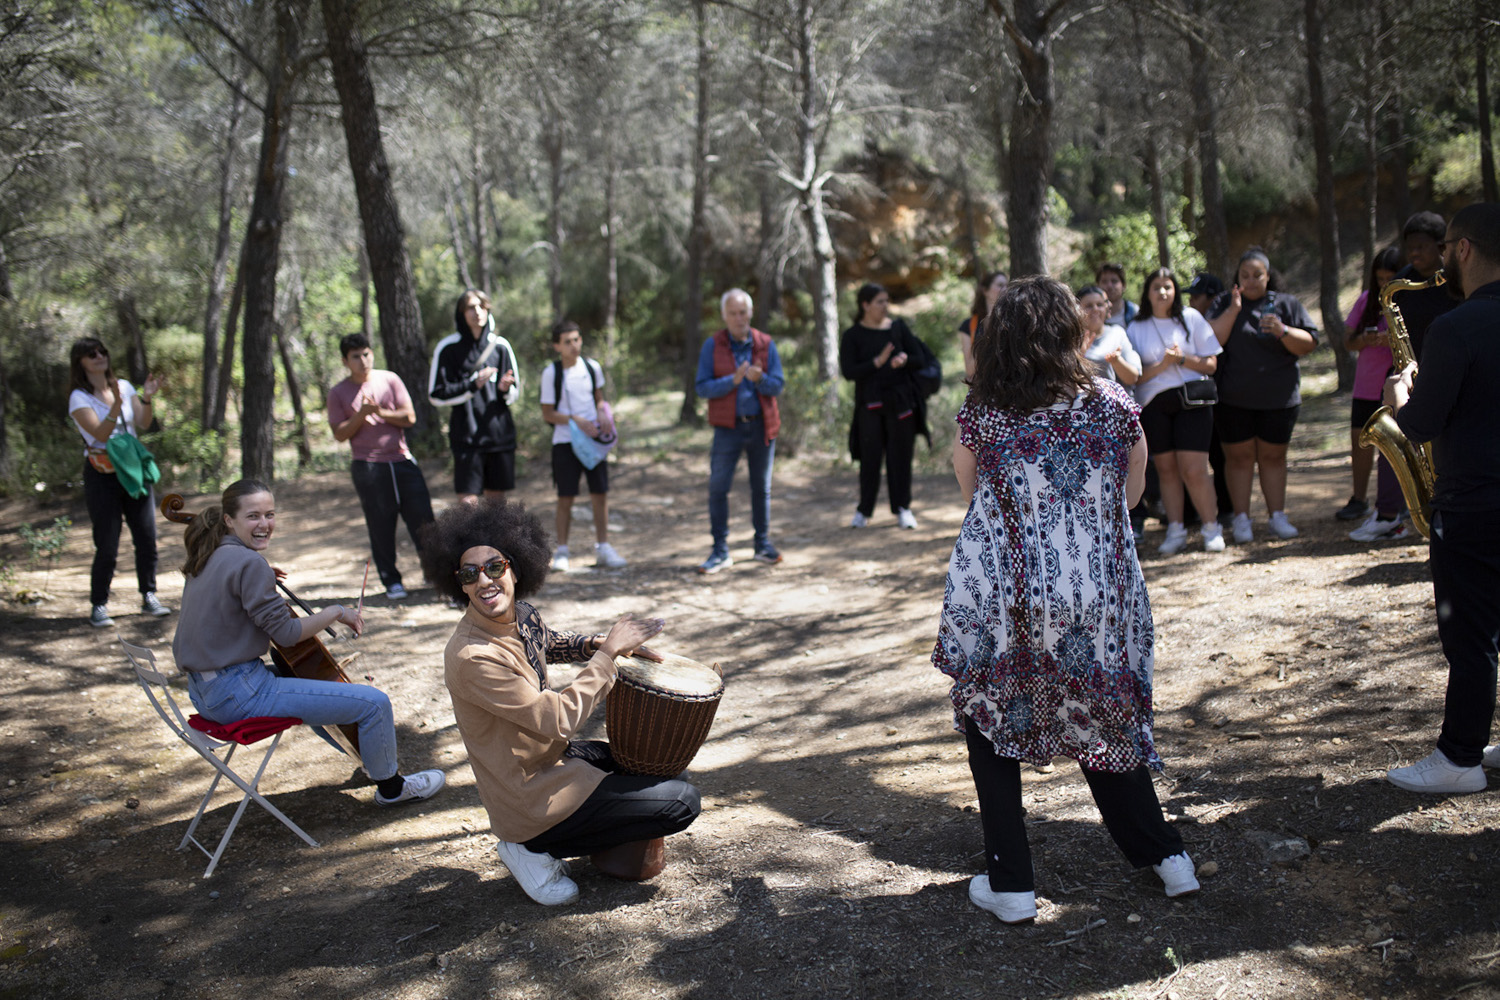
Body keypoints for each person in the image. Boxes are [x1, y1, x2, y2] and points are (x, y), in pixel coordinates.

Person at [932, 275, 1197, 925]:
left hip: (1008, 595)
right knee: (1102, 718)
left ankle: (1012, 883)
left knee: (993, 723)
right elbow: (1132, 496)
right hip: (1094, 594)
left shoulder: (984, 412)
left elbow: (974, 497)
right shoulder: (1111, 402)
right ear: (1070, 331)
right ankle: (1168, 860)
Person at [423, 499, 700, 904]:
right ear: (459, 585)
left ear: (515, 568)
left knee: (665, 773)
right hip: (529, 795)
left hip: (557, 762)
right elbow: (557, 718)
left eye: (495, 567)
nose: (485, 581)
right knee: (680, 802)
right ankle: (530, 848)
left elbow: (548, 643)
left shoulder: (522, 616)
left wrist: (596, 644)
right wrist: (608, 658)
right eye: (470, 573)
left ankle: (587, 829)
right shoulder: (472, 657)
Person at [172, 479, 446, 807]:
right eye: (253, 516)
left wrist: (259, 576)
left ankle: (369, 757)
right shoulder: (247, 563)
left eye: (269, 515)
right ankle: (392, 788)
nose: (264, 524)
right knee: (374, 703)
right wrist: (335, 612)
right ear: (229, 520)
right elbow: (287, 634)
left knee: (307, 678)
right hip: (239, 696)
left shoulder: (211, 554)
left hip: (206, 693)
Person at [1382, 202, 1500, 794]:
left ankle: (1459, 758)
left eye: (1448, 247)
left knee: (1471, 635)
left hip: (1475, 504)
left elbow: (1421, 424)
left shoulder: (1455, 328)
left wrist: (1401, 390)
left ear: (1465, 250)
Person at [1206, 248, 1319, 544]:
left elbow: (1309, 343)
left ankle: (1277, 516)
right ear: (1237, 277)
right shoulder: (1223, 303)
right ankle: (1242, 519)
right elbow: (1210, 341)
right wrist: (1233, 309)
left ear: (1268, 276)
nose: (1252, 280)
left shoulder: (1287, 304)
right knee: (1239, 458)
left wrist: (1283, 331)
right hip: (1233, 399)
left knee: (1273, 456)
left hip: (1278, 398)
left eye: (1258, 275)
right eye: (1245, 275)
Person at [67, 337, 170, 627]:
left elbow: (143, 422)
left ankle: (149, 595)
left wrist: (147, 397)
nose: (99, 356)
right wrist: (115, 404)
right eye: (92, 354)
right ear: (81, 362)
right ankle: (99, 604)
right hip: (102, 475)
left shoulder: (123, 385)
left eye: (103, 351)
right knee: (108, 543)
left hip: (132, 470)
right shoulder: (79, 397)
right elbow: (99, 435)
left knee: (146, 536)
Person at [327, 333, 436, 600]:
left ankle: (435, 572)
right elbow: (340, 434)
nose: (363, 361)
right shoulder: (338, 393)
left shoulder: (390, 379)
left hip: (401, 460)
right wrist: (360, 415)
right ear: (345, 361)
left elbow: (409, 417)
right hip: (368, 466)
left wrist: (378, 412)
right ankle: (391, 580)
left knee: (423, 519)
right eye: (355, 357)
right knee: (381, 523)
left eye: (366, 354)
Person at [1125, 268, 1225, 554]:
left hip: (1192, 404)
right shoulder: (1136, 327)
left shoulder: (1191, 318)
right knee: (1166, 470)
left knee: (1194, 470)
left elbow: (1211, 365)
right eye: (1156, 287)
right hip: (1154, 405)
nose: (1163, 292)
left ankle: (1211, 528)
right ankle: (1176, 529)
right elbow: (1136, 376)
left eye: (1168, 287)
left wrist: (1181, 358)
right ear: (1147, 293)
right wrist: (1163, 365)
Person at [693, 288, 786, 573]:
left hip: (761, 426)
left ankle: (763, 545)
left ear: (750, 313)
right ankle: (720, 551)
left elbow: (778, 385)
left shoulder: (765, 343)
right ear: (724, 316)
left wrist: (762, 379)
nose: (738, 318)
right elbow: (702, 387)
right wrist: (730, 381)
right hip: (727, 429)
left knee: (762, 489)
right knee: (718, 489)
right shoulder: (713, 345)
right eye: (732, 313)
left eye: (742, 312)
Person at [840, 282, 931, 530]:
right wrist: (876, 362)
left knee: (900, 457)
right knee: (869, 459)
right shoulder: (852, 335)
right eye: (879, 301)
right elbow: (848, 371)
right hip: (869, 406)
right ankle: (864, 511)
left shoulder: (898, 328)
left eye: (886, 300)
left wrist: (904, 359)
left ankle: (903, 508)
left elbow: (920, 358)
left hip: (901, 404)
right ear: (865, 305)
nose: (885, 306)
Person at [539, 320, 626, 572]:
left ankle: (603, 548)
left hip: (593, 442)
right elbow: (547, 413)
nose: (574, 345)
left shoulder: (591, 367)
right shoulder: (551, 373)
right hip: (565, 442)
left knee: (600, 494)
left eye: (576, 339)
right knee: (565, 497)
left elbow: (598, 396)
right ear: (557, 345)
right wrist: (574, 419)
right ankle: (563, 551)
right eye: (567, 341)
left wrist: (601, 411)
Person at [1341, 247, 1410, 540]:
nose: (1384, 283)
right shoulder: (1366, 300)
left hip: (1394, 386)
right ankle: (1359, 499)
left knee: (1394, 448)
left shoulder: (1409, 302)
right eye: (1380, 278)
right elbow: (1348, 341)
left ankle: (1399, 505)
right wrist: (1367, 339)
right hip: (1366, 386)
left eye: (1389, 277)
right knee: (1361, 443)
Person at [428, 289, 521, 504]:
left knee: (496, 504)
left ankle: (496, 540)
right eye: (470, 307)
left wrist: (505, 388)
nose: (476, 312)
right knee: (467, 504)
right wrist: (472, 386)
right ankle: (472, 540)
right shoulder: (448, 348)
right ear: (461, 313)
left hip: (498, 436)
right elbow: (436, 394)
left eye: (481, 306)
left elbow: (514, 394)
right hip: (466, 436)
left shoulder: (501, 346)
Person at [1392, 211, 1460, 363]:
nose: (1414, 253)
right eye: (1410, 248)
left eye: (1421, 247)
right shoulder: (1400, 283)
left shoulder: (1461, 279)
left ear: (1441, 246)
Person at [1077, 284, 1141, 384]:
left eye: (1099, 305)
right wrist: (1079, 355)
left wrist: (1117, 361)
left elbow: (1133, 378)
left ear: (1106, 308)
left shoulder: (1117, 333)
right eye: (1089, 306)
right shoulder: (1072, 339)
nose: (1095, 309)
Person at [958, 271, 1007, 379]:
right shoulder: (969, 325)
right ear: (985, 290)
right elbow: (970, 370)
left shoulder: (1011, 321)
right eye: (1000, 285)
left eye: (1006, 285)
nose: (1005, 289)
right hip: (983, 389)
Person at [1097, 262, 1138, 328]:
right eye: (1104, 281)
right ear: (1097, 286)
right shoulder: (1092, 315)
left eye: (1114, 281)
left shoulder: (1135, 313)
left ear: (1124, 285)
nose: (1109, 286)